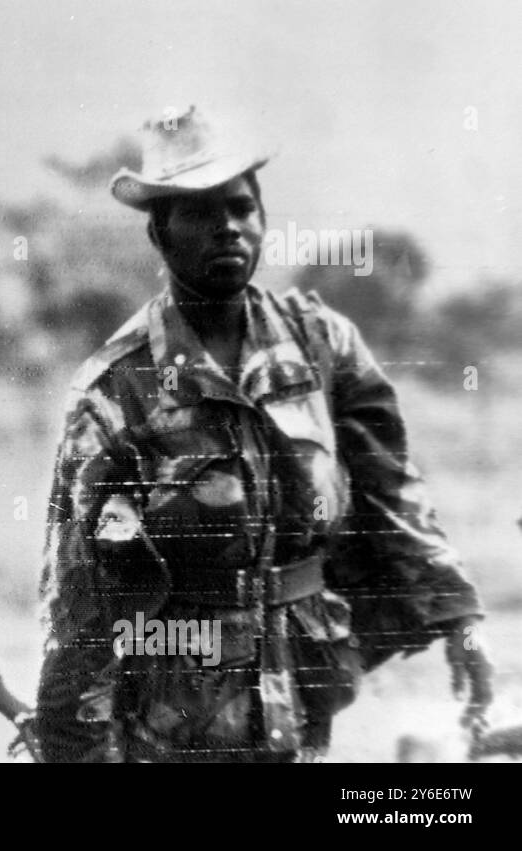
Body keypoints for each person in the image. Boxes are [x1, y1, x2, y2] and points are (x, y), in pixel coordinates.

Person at [33, 107, 492, 763]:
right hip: (174, 723)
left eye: (242, 207)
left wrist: (462, 623)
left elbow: (396, 495)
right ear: (160, 234)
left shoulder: (321, 344)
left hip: (304, 696)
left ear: (263, 217)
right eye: (199, 212)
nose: (228, 227)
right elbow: (78, 608)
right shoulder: (116, 391)